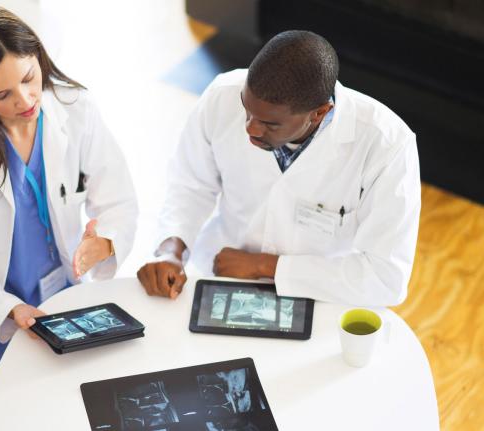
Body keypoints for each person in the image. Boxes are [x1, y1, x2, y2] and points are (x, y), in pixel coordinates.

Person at [0, 7, 138, 409]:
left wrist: (105, 242)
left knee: (95, 400)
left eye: (29, 78)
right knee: (6, 410)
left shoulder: (75, 108)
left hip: (66, 298)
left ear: (39, 58)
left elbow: (119, 198)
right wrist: (9, 308)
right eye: (0, 95)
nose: (24, 101)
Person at [137, 30, 420, 307]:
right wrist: (171, 250)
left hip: (324, 296)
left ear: (320, 112)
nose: (250, 127)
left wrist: (265, 266)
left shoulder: (386, 144)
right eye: (246, 109)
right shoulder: (222, 94)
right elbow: (191, 184)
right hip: (219, 274)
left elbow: (387, 278)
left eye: (270, 124)